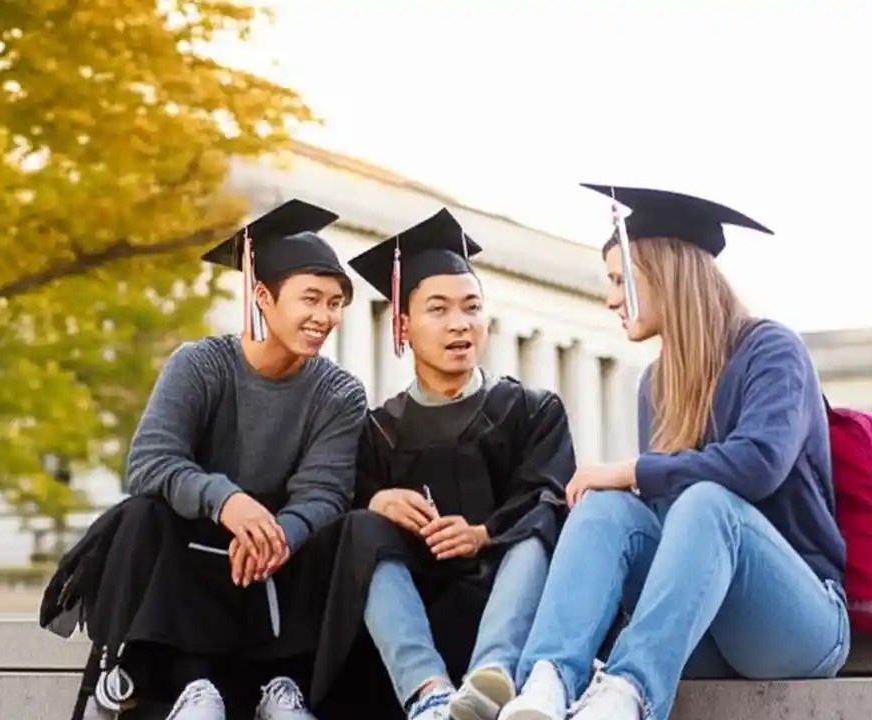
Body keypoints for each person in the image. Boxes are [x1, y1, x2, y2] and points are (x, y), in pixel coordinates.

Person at [499, 186, 850, 720]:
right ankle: (548, 681)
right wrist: (623, 486)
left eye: (621, 281)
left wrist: (634, 471)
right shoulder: (656, 385)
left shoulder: (772, 351)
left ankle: (628, 696)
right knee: (603, 505)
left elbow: (757, 466)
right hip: (705, 625)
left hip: (799, 620)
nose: (611, 300)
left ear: (665, 274)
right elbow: (662, 524)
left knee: (706, 501)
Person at [40, 199, 369, 720]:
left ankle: (280, 688)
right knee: (141, 511)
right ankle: (153, 678)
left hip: (279, 560)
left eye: (335, 303)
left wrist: (279, 531)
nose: (324, 317)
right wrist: (228, 501)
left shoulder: (340, 394)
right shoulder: (201, 365)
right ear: (263, 295)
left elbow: (324, 490)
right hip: (189, 546)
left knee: (343, 524)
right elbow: (150, 460)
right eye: (311, 299)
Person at [309, 208, 575, 720]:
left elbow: (549, 500)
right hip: (414, 624)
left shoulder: (531, 412)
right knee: (359, 527)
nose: (460, 324)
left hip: (509, 611)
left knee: (543, 519)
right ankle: (429, 696)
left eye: (472, 307)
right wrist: (375, 499)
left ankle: (489, 679)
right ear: (403, 326)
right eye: (439, 309)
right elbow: (333, 531)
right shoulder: (376, 431)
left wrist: (483, 534)